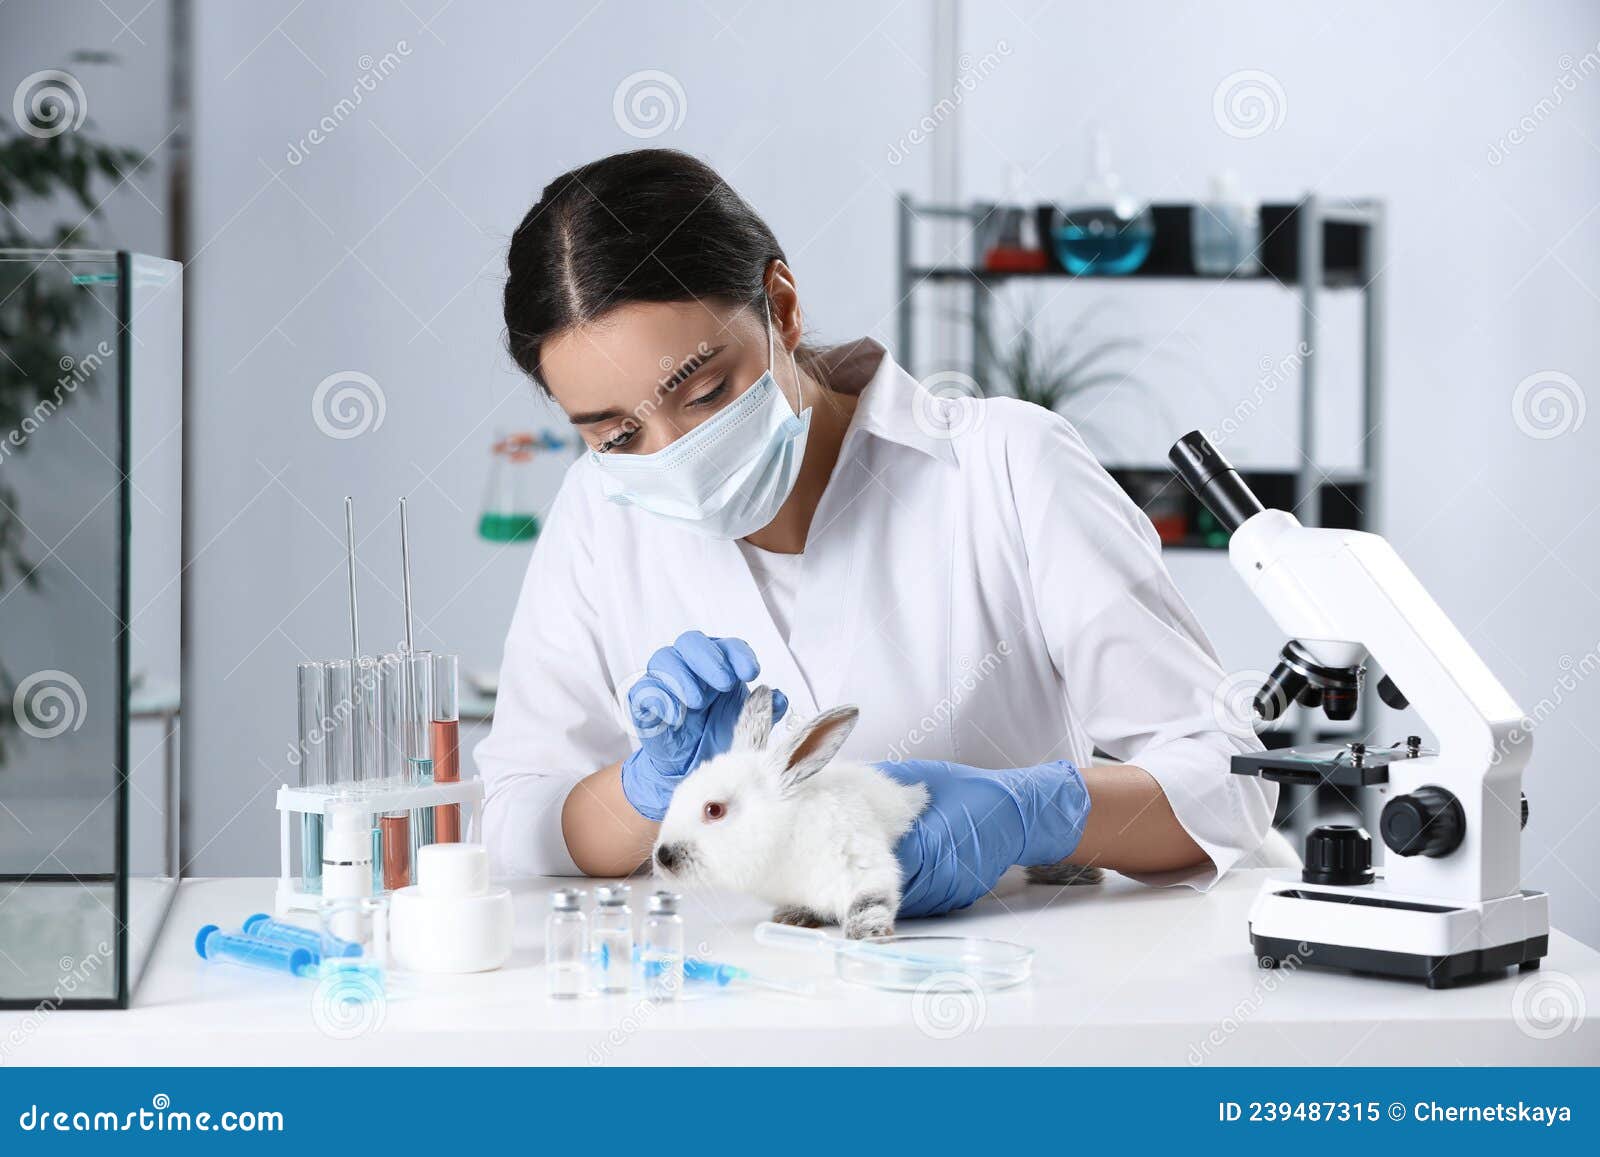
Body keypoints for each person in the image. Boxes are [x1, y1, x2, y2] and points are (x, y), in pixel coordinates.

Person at [475, 149, 1276, 915]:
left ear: (781, 307)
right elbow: (515, 817)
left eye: (706, 391)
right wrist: (645, 787)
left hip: (1010, 1007)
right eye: (614, 435)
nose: (671, 456)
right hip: (722, 1020)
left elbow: (1230, 778)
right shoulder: (596, 514)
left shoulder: (1005, 466)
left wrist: (1038, 812)